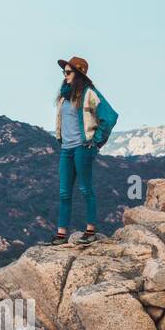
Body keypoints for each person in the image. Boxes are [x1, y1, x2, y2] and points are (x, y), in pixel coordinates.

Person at [53, 55, 103, 245]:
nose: (64, 76)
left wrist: (95, 141)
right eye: (63, 72)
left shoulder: (89, 94)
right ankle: (60, 235)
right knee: (64, 193)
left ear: (78, 74)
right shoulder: (63, 98)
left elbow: (109, 117)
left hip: (83, 148)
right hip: (66, 149)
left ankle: (90, 231)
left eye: (68, 72)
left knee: (85, 189)